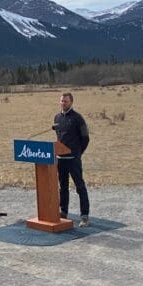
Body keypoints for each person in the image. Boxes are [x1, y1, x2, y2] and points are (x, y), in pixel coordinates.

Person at [52, 92, 90, 226]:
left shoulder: (78, 118)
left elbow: (85, 138)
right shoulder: (57, 117)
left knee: (80, 186)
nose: (63, 103)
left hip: (73, 159)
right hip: (60, 159)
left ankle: (84, 216)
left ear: (71, 102)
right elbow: (59, 137)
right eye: (62, 101)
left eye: (66, 101)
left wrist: (78, 153)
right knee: (63, 187)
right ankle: (63, 212)